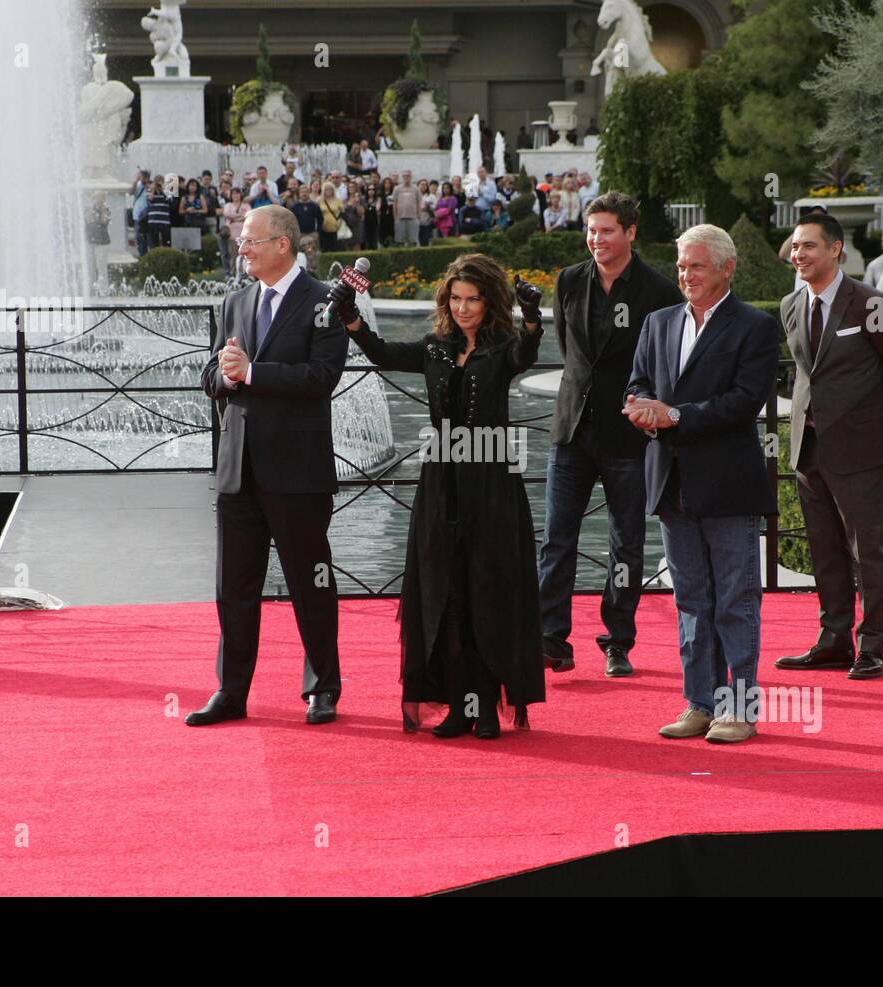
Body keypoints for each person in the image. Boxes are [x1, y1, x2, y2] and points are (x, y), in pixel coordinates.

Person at [339, 255, 548, 737]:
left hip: (493, 480)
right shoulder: (434, 348)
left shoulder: (504, 347)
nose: (464, 308)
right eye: (456, 298)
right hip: (441, 482)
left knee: (487, 590)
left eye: (473, 299)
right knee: (446, 591)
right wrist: (351, 316)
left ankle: (488, 705)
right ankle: (459, 705)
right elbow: (381, 352)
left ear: (490, 301)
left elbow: (528, 353)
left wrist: (533, 316)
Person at [188, 203, 349, 727]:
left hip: (297, 473)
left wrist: (253, 373)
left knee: (312, 583)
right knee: (232, 588)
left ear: (284, 244)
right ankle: (230, 692)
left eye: (251, 240)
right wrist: (230, 377)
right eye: (241, 241)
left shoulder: (326, 301)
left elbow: (322, 377)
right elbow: (211, 374)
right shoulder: (236, 301)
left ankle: (322, 688)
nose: (242, 249)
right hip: (238, 471)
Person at [622, 225, 779, 743]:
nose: (686, 275)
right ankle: (700, 703)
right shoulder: (657, 322)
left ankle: (741, 708)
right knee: (690, 599)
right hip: (670, 481)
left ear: (726, 269)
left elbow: (744, 401)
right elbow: (638, 383)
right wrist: (643, 411)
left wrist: (675, 416)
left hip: (728, 482)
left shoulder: (755, 325)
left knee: (736, 599)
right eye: (682, 266)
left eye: (697, 266)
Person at [539, 191, 683, 678]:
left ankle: (617, 641)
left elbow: (666, 364)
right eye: (591, 230)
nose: (596, 239)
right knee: (558, 538)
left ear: (630, 233)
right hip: (571, 429)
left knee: (626, 542)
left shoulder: (660, 292)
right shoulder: (569, 280)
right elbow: (570, 352)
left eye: (606, 230)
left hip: (629, 436)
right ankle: (551, 639)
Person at [778, 213, 883, 681]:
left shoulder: (871, 303)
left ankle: (872, 645)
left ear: (835, 249)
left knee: (867, 549)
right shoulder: (790, 305)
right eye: (795, 247)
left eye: (809, 246)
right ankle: (834, 640)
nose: (799, 255)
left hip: (859, 445)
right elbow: (804, 373)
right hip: (807, 446)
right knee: (825, 550)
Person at [221, 187, 250, 278]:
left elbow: (248, 215)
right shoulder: (228, 205)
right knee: (232, 255)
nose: (236, 195)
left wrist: (235, 217)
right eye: (233, 193)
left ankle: (245, 275)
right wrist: (240, 217)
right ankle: (232, 274)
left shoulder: (246, 205)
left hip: (244, 234)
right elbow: (226, 214)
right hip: (231, 234)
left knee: (244, 255)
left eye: (237, 193)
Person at [392, 170, 422, 246]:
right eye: (404, 176)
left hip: (413, 218)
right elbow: (394, 203)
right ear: (402, 177)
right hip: (400, 218)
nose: (406, 177)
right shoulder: (397, 189)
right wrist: (395, 216)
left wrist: (418, 215)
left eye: (408, 176)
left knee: (412, 241)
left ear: (411, 177)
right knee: (400, 241)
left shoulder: (416, 189)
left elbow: (418, 203)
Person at [146, 175, 172, 248]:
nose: (159, 184)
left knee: (167, 242)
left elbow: (170, 201)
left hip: (164, 221)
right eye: (157, 182)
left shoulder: (167, 191)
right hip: (153, 220)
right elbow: (149, 200)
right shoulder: (150, 190)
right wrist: (153, 189)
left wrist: (163, 189)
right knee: (153, 243)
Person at [318, 180, 345, 252]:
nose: (328, 191)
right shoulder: (319, 200)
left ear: (333, 190)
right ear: (323, 190)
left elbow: (342, 212)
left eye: (330, 189)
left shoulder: (338, 200)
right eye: (326, 189)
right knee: (325, 247)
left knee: (335, 247)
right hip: (323, 227)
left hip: (335, 226)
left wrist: (339, 221)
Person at [131, 169, 151, 257]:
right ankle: (142, 255)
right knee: (139, 237)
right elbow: (131, 192)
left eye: (142, 176)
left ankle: (147, 255)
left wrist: (146, 184)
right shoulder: (138, 185)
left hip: (148, 215)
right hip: (137, 215)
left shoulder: (151, 185)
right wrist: (136, 181)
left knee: (148, 237)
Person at [378, 176, 396, 246]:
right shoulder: (380, 194)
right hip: (383, 216)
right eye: (386, 183)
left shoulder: (394, 194)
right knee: (382, 233)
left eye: (389, 183)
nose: (387, 185)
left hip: (391, 216)